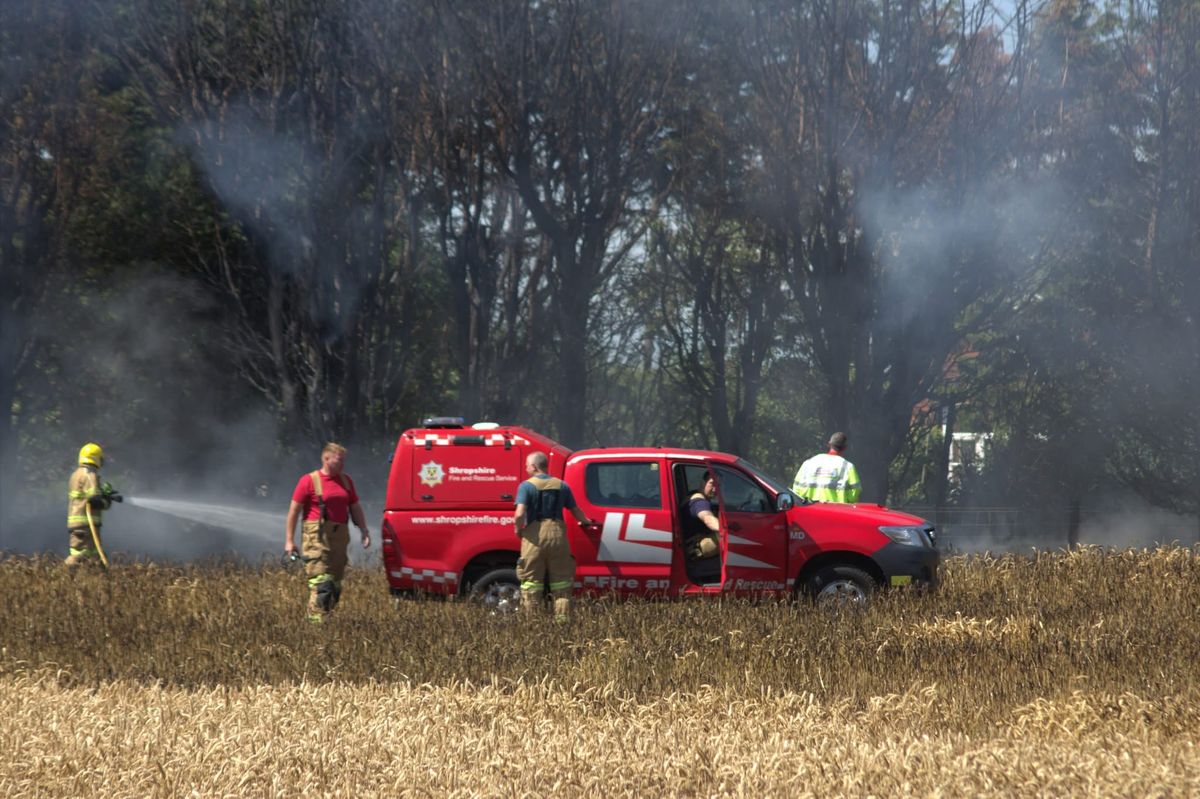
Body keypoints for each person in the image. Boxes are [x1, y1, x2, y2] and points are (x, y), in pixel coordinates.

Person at [285, 442, 371, 623]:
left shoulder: (346, 481)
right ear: (326, 459)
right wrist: (289, 541)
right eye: (338, 460)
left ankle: (326, 619)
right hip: (316, 536)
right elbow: (294, 511)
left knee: (335, 585)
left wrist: (364, 530)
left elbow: (355, 507)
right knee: (321, 582)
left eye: (343, 461)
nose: (342, 464)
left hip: (340, 537)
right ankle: (315, 625)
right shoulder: (308, 481)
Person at [513, 451, 593, 622]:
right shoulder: (562, 485)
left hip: (534, 538)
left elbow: (519, 514)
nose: (526, 468)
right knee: (562, 584)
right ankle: (562, 622)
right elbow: (576, 511)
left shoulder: (526, 486)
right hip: (558, 536)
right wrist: (587, 522)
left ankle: (532, 623)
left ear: (534, 467)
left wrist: (518, 530)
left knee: (531, 584)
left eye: (527, 465)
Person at [65, 442, 112, 567]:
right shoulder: (89, 474)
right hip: (86, 524)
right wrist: (107, 501)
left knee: (93, 556)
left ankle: (99, 581)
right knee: (79, 555)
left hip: (80, 525)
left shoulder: (75, 474)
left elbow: (85, 497)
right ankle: (65, 576)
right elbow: (94, 500)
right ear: (96, 458)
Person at [792, 432, 861, 503]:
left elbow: (796, 490)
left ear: (829, 444)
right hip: (836, 512)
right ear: (845, 448)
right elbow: (854, 493)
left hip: (810, 511)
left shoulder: (808, 463)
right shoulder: (847, 466)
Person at [683, 472, 721, 562]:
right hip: (692, 550)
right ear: (702, 483)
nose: (715, 489)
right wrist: (727, 531)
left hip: (691, 541)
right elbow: (708, 518)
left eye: (718, 485)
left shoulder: (692, 495)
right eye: (712, 483)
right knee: (721, 538)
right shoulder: (699, 502)